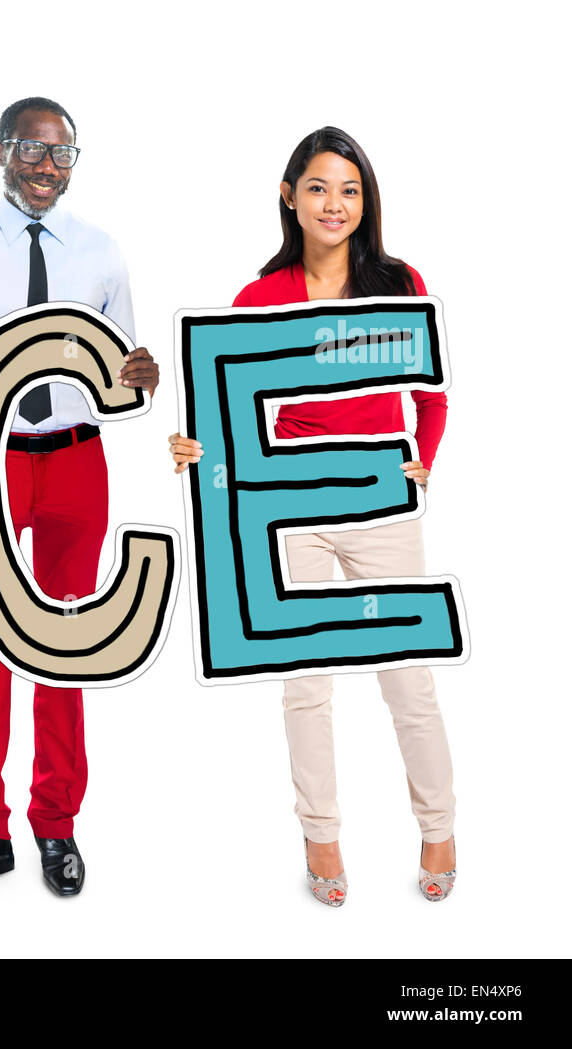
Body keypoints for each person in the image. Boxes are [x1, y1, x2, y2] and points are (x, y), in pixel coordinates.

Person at [169, 126, 457, 906]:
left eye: (351, 189)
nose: (336, 204)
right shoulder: (259, 299)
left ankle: (438, 824)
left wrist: (420, 460)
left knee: (408, 675)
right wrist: (195, 448)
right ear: (289, 196)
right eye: (321, 187)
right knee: (306, 681)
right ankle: (320, 832)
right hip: (289, 505)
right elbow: (223, 407)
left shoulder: (398, 281)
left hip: (375, 500)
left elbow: (428, 394)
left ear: (367, 203)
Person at [0, 97, 159, 897]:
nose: (48, 167)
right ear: (0, 151)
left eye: (62, 154)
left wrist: (144, 376)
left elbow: (125, 371)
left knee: (67, 644)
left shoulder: (102, 251)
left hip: (80, 462)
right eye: (33, 150)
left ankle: (57, 824)